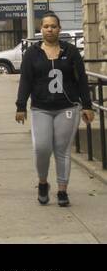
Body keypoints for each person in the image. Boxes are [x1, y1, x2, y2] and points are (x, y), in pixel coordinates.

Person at [15, 13, 95, 206]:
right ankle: (43, 183)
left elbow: (81, 79)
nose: (49, 29)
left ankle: (62, 190)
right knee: (41, 148)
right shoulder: (32, 54)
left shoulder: (71, 51)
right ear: (41, 29)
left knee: (62, 150)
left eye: (53, 26)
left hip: (66, 107)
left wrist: (87, 105)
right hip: (41, 108)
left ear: (59, 28)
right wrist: (21, 106)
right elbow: (25, 80)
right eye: (46, 26)